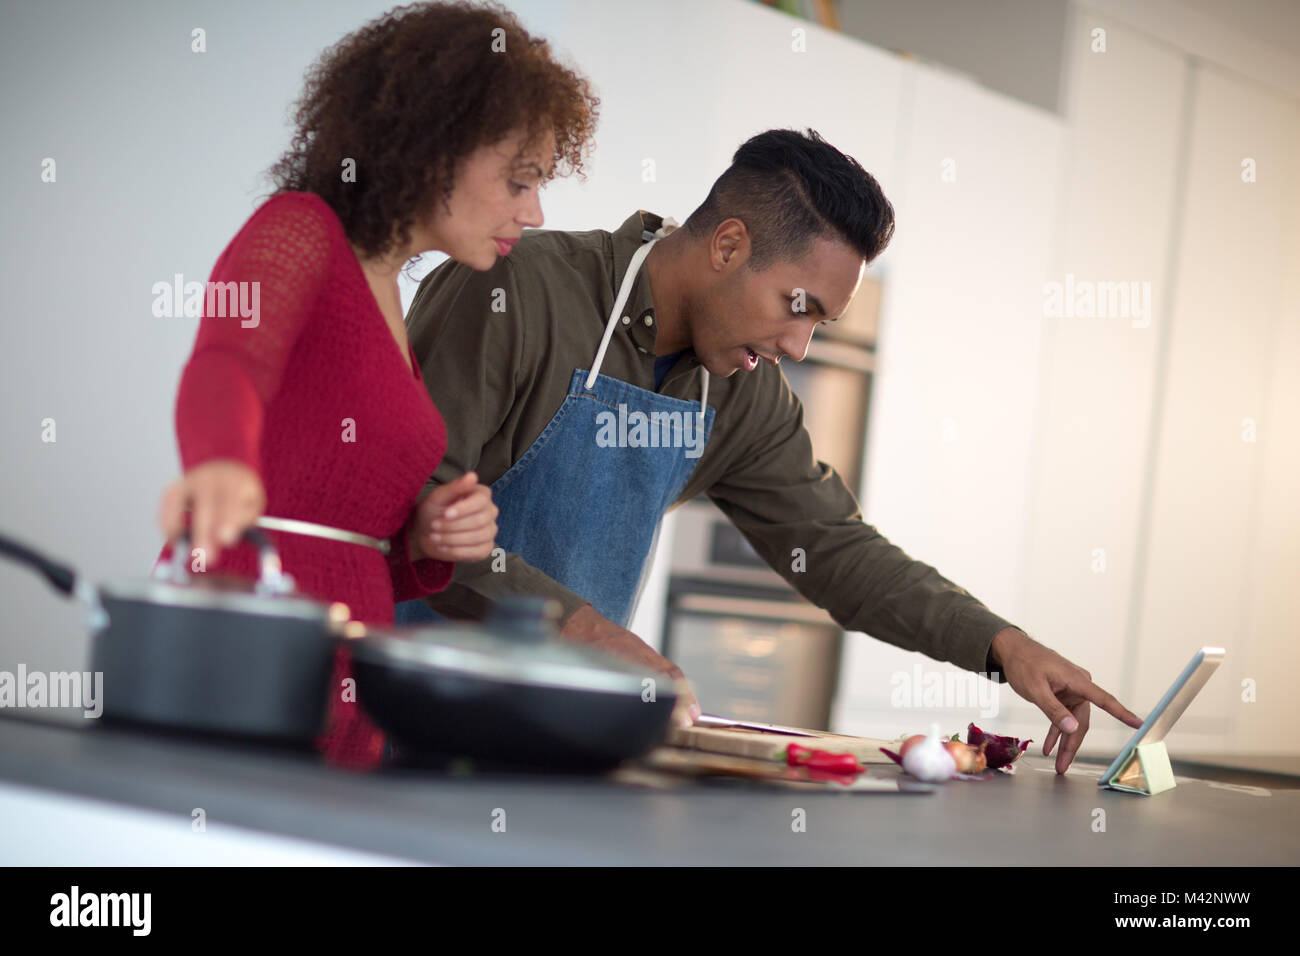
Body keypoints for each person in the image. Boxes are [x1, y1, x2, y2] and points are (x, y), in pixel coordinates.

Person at [395, 128, 1143, 771]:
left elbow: (833, 548)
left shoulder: (743, 393)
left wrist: (1002, 645)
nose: (797, 345)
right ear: (729, 245)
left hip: (564, 737)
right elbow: (412, 499)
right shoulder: (514, 291)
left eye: (821, 325)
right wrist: (585, 632)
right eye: (799, 308)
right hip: (415, 713)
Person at [155, 1, 598, 768]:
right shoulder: (299, 231)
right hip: (253, 638)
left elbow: (347, 538)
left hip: (345, 668)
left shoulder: (391, 292)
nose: (535, 211)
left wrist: (424, 538)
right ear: (437, 151)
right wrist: (218, 461)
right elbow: (228, 359)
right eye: (520, 181)